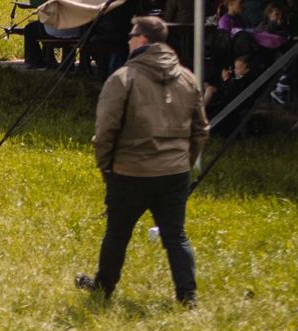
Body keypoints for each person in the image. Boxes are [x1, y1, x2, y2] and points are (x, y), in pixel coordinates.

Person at [76, 15, 208, 306]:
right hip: (174, 172)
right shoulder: (187, 78)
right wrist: (185, 161)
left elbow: (105, 131)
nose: (128, 39)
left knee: (118, 233)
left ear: (143, 40)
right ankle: (188, 297)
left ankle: (104, 288)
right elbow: (201, 129)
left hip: (130, 171)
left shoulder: (124, 78)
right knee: (176, 236)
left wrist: (106, 166)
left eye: (131, 34)